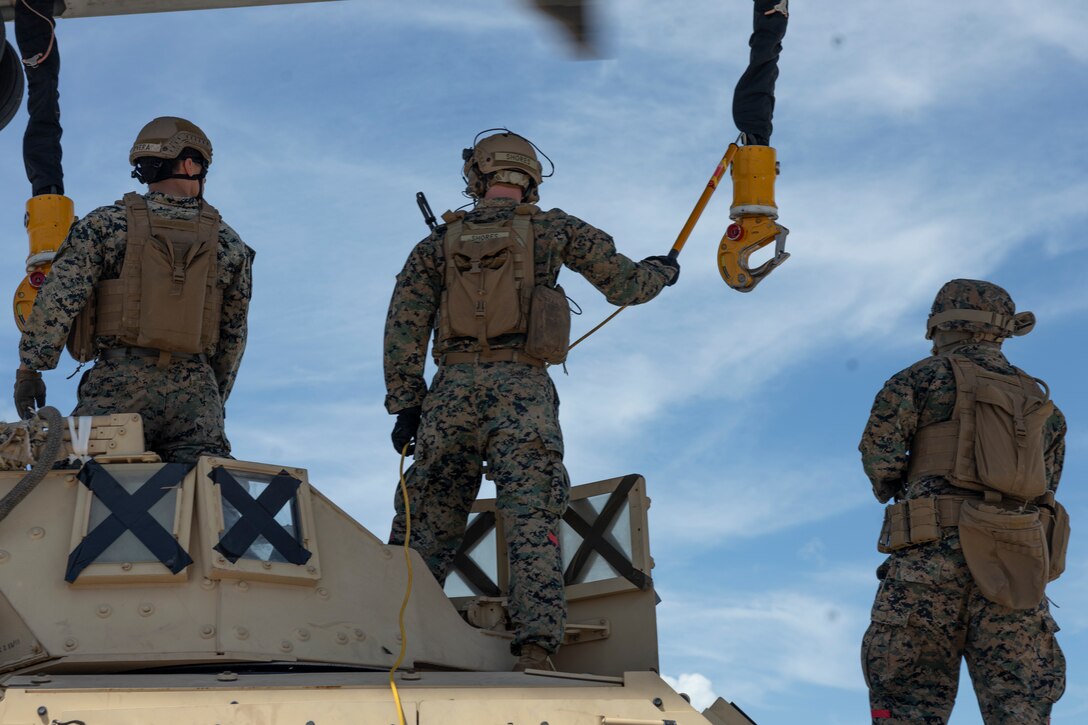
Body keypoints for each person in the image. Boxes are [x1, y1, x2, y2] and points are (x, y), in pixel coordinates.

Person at [384, 130, 679, 670]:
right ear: (530, 177)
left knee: (428, 518)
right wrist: (663, 271)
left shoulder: (435, 244)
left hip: (449, 393)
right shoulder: (555, 228)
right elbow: (626, 286)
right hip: (523, 389)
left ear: (479, 175)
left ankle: (393, 638)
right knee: (531, 513)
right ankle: (537, 648)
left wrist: (407, 403)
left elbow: (403, 326)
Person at [858, 279, 1068, 724]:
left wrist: (905, 488)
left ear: (939, 325)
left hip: (928, 560)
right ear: (1002, 331)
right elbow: (1047, 486)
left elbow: (881, 458)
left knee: (909, 703)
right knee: (1021, 706)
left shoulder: (917, 379)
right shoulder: (1042, 403)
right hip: (1016, 565)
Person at [14, 116, 254, 464]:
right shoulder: (230, 243)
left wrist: (31, 369)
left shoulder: (106, 224)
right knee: (207, 496)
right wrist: (210, 397)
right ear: (189, 164)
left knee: (85, 484)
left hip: (118, 383)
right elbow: (233, 335)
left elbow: (58, 300)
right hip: (197, 393)